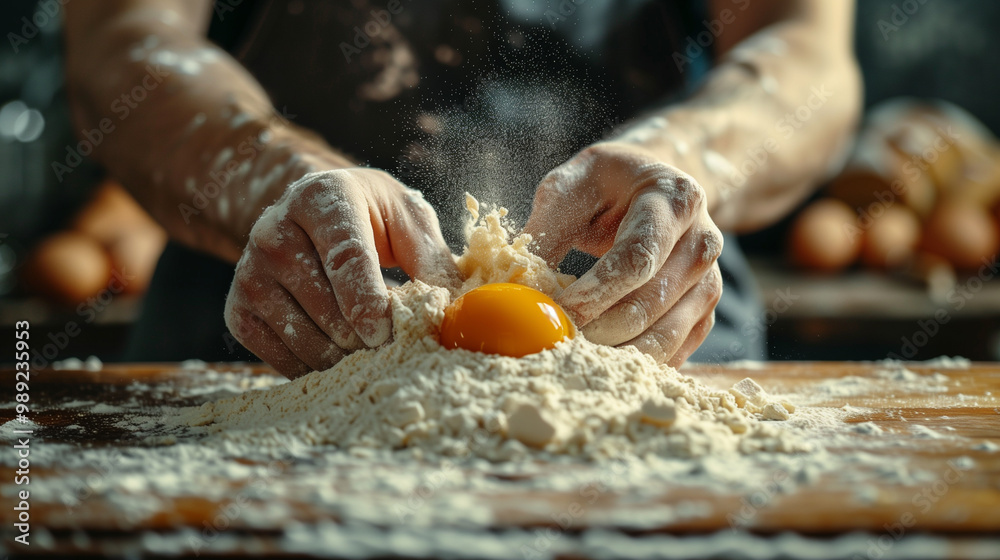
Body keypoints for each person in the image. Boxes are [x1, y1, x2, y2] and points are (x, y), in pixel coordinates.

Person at [63, 0, 860, 378]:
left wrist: (682, 155)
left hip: (657, 336)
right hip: (271, 334)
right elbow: (120, 47)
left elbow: (807, 53)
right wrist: (282, 180)